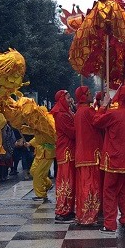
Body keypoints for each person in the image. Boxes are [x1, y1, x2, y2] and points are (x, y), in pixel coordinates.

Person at [93, 85, 125, 234]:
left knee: (110, 192)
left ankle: (109, 224)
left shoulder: (115, 114)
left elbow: (96, 121)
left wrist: (103, 105)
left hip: (114, 160)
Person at [73, 86, 104, 225]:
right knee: (91, 185)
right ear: (84, 96)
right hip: (90, 154)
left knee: (84, 186)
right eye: (89, 93)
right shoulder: (87, 111)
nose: (91, 95)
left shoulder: (79, 111)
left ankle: (83, 215)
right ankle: (89, 216)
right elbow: (99, 121)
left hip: (83, 155)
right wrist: (103, 107)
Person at [51, 90, 77, 224]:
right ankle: (62, 212)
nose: (70, 99)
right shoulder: (61, 114)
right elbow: (72, 132)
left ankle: (69, 209)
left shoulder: (66, 111)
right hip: (65, 151)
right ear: (61, 98)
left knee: (70, 181)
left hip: (69, 150)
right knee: (66, 182)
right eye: (67, 97)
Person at [28, 132, 55, 201]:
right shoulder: (39, 126)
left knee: (38, 174)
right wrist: (30, 143)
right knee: (33, 171)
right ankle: (48, 184)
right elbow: (38, 136)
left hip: (47, 154)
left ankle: (41, 194)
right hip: (39, 153)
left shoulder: (49, 127)